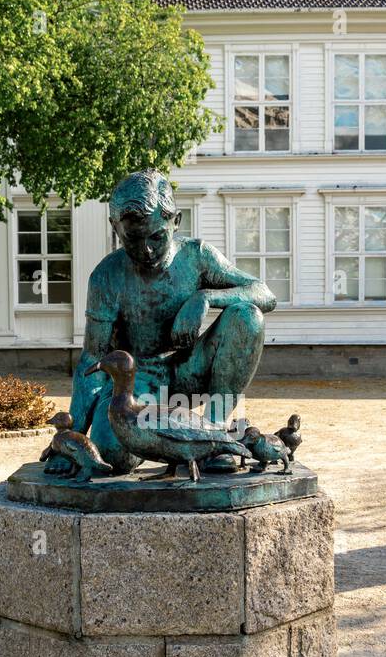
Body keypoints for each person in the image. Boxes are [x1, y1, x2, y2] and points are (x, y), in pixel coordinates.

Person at [52, 168, 276, 474]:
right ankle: (172, 442)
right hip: (138, 381)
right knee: (114, 457)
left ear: (176, 221)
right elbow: (93, 359)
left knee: (247, 316)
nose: (146, 250)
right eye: (132, 240)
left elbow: (264, 293)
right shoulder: (106, 277)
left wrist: (205, 297)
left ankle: (212, 436)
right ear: (114, 227)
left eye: (157, 237)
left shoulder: (197, 256)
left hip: (189, 370)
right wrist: (71, 438)